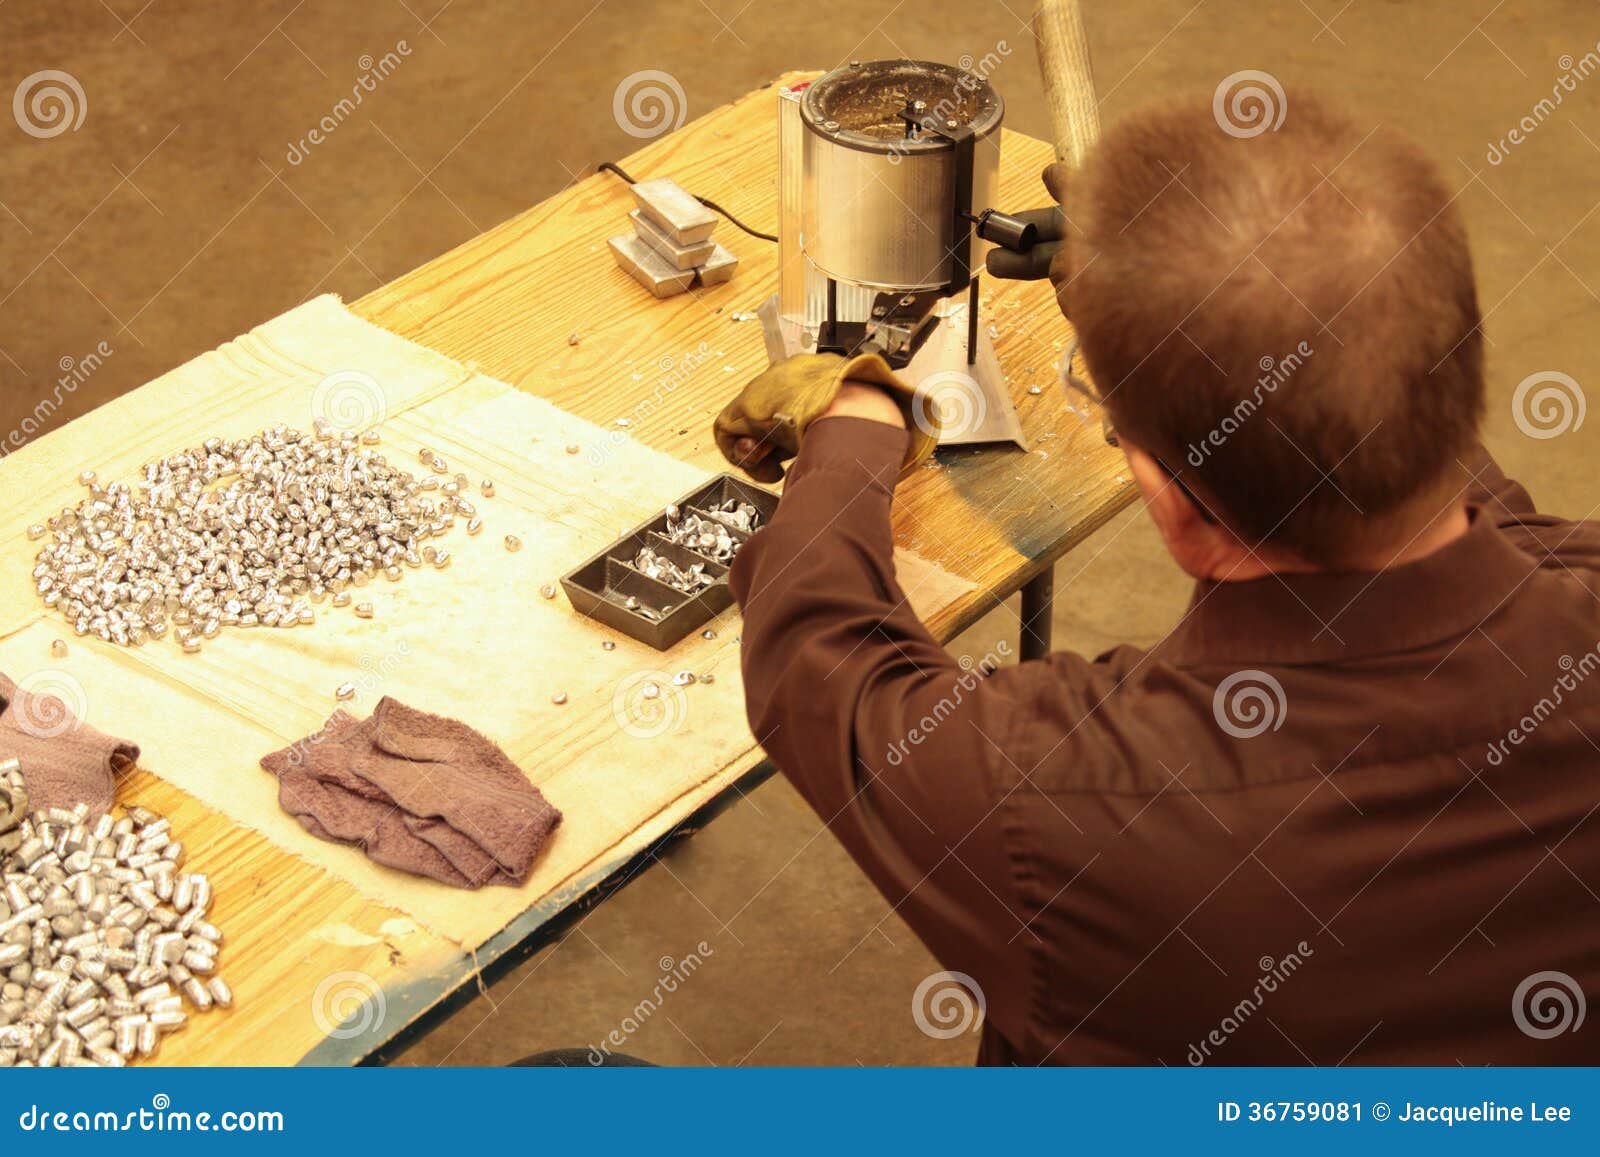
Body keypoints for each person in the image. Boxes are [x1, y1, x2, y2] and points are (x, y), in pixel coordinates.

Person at [712, 90, 1599, 1065]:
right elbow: (1459, 482)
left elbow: (816, 656)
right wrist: (1167, 312)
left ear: (1172, 507)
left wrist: (856, 417)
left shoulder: (1067, 801)